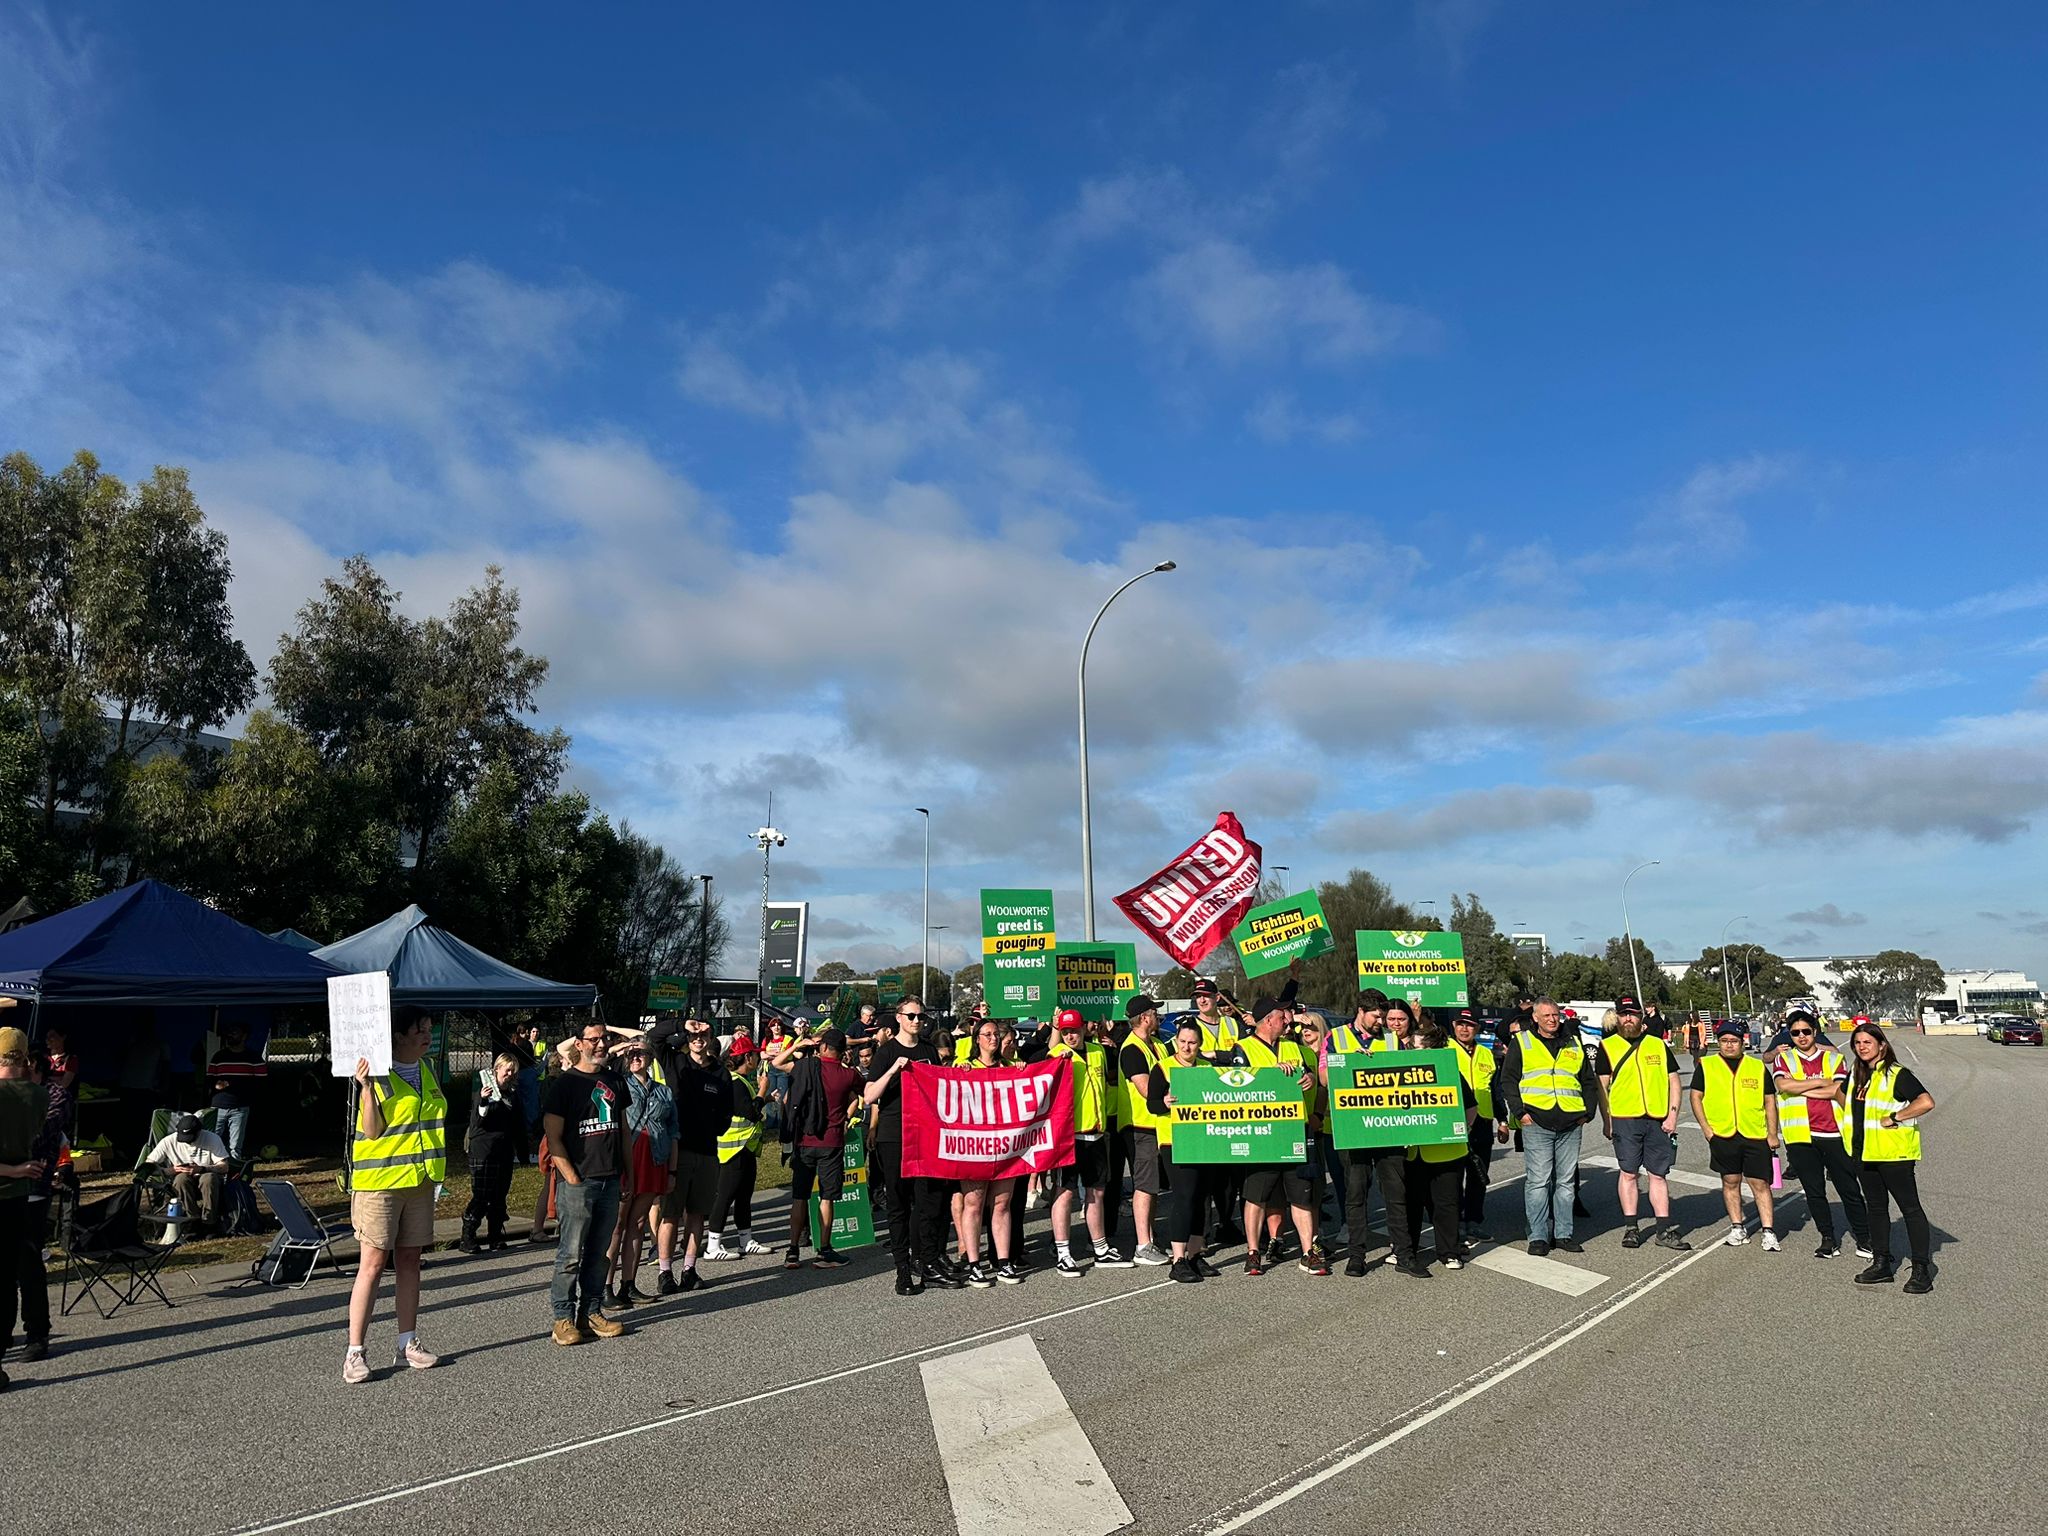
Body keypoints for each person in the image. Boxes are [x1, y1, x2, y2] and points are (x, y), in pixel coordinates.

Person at [344, 1011, 447, 1383]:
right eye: (419, 1029)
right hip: (380, 1183)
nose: (426, 1035)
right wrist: (367, 1089)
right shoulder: (376, 1075)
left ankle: (408, 1343)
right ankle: (355, 1351)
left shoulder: (428, 1070)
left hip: (419, 1180)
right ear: (397, 1036)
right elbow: (372, 1132)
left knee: (410, 1261)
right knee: (372, 1264)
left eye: (428, 1029)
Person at [1221, 995, 1327, 1277]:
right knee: (1256, 1195)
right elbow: (1237, 1088)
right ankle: (1253, 1251)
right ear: (1268, 1020)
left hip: (1295, 1129)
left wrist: (1309, 1080)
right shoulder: (1242, 1048)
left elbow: (1307, 1078)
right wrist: (1270, 1075)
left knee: (1302, 1195)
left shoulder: (1292, 1046)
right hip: (1263, 1133)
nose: (1287, 1021)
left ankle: (1308, 1253)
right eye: (1282, 1017)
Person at [541, 1023, 630, 1345]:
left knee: (598, 1254)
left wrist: (628, 1172)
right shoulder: (565, 1085)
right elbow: (553, 1137)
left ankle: (590, 1311)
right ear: (579, 1044)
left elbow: (623, 1128)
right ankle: (563, 1318)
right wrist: (572, 1177)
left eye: (605, 1038)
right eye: (595, 1039)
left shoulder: (615, 1080)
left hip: (610, 1178)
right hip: (579, 1181)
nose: (602, 1044)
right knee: (571, 1255)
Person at [855, 997, 949, 1294]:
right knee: (898, 1204)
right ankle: (903, 1270)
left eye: (921, 1016)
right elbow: (869, 1096)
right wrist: (894, 1070)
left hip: (926, 1135)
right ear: (898, 1018)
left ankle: (927, 1260)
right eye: (911, 1016)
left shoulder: (929, 1051)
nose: (917, 1021)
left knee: (928, 1202)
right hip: (894, 1135)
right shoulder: (886, 1053)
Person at [1498, 998, 1600, 1257]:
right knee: (1538, 1182)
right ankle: (1538, 1236)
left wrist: (1588, 1112)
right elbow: (1508, 1080)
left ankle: (1563, 1234)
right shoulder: (1522, 1042)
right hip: (1536, 1121)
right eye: (1546, 1016)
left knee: (1565, 1183)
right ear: (1535, 1018)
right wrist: (1520, 1113)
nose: (1552, 1020)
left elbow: (1588, 1080)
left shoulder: (1573, 1041)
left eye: (1555, 1015)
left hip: (1570, 1122)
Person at [1840, 1022, 1937, 1292]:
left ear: (1882, 1045)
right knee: (1877, 1209)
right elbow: (1843, 1099)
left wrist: (1896, 1116)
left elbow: (1926, 1101)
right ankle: (1881, 1263)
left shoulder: (1897, 1074)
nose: (1861, 1047)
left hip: (1894, 1156)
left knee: (1910, 1209)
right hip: (1864, 1154)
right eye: (1857, 1043)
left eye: (1867, 1042)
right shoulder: (1856, 1075)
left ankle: (1921, 1269)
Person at [1771, 1008, 1872, 1260]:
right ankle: (1828, 1238)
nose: (1802, 1036)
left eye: (1806, 1031)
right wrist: (1820, 1082)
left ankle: (1864, 1238)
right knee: (1814, 1191)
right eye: (1795, 1033)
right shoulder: (1784, 1060)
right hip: (1801, 1137)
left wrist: (1801, 1087)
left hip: (1834, 1133)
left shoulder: (1834, 1060)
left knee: (1849, 1189)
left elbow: (1838, 1089)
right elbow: (1783, 1085)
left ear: (1815, 1032)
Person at [1598, 998, 1690, 1251]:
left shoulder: (1657, 1045)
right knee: (1628, 1173)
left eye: (1633, 1014)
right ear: (1617, 1017)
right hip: (1625, 1120)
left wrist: (1672, 1115)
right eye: (1624, 1014)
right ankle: (1631, 1228)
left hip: (1657, 1119)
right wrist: (1607, 1121)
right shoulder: (1607, 1047)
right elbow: (1602, 1088)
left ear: (1641, 1017)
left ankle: (1663, 1229)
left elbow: (1673, 1082)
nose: (1629, 1018)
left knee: (1658, 1174)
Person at [772, 1025, 866, 1271]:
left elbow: (777, 1064)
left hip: (804, 1140)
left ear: (822, 1047)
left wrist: (798, 1046)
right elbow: (862, 1091)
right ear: (843, 1051)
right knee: (827, 1197)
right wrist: (847, 1114)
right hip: (832, 1141)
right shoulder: (848, 1075)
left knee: (799, 1196)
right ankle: (824, 1249)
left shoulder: (804, 1067)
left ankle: (792, 1250)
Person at [1325, 988, 1400, 1276]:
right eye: (1376, 1016)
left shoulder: (1392, 1040)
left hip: (1388, 1128)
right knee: (1355, 1194)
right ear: (1361, 1011)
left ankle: (1402, 1251)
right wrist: (1349, 1063)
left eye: (1383, 1016)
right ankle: (1357, 1255)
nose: (1382, 1022)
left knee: (1395, 1192)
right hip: (1353, 1129)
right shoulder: (1337, 1037)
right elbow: (1323, 1077)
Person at [1689, 1021, 1781, 1251]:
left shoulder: (1756, 1066)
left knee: (1760, 1183)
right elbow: (1695, 1097)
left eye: (1734, 1041)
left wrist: (1772, 1133)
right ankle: (1737, 1226)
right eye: (1724, 1041)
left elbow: (1770, 1100)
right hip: (1723, 1133)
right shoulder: (1707, 1065)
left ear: (1743, 1042)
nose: (1729, 1045)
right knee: (1731, 1181)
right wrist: (1707, 1130)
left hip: (1754, 1133)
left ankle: (1768, 1231)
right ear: (1718, 1042)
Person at [655, 1024, 725, 1294]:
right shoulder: (675, 1061)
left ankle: (689, 1269)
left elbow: (726, 1110)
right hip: (678, 1150)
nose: (698, 1040)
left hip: (707, 1151)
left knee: (697, 1215)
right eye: (693, 1037)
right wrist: (682, 1025)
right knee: (671, 1214)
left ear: (709, 1040)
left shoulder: (719, 1072)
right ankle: (664, 1272)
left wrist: (714, 1127)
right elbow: (655, 1038)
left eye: (703, 1036)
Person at [0, 1024, 50, 1392]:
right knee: (18, 1269)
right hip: (21, 1192)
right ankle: (34, 1332)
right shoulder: (38, 1095)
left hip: (10, 1180)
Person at [608, 1041, 676, 1307]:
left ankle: (629, 1284)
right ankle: (605, 1287)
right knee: (617, 1224)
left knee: (638, 1223)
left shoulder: (664, 1092)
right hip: (628, 1158)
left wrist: (671, 1171)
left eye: (641, 1053)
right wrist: (625, 1044)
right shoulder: (618, 1084)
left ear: (650, 1058)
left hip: (655, 1158)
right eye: (631, 1055)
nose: (635, 1058)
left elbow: (673, 1134)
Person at [1046, 1009, 1112, 1279]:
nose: (1070, 1035)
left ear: (1084, 1028)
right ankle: (1063, 1251)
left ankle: (1101, 1247)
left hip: (1096, 1132)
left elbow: (1104, 1087)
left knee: (1096, 1191)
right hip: (1069, 1136)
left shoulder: (1098, 1051)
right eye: (1065, 1031)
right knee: (1065, 1192)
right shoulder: (1056, 1056)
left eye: (1074, 1030)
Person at [1157, 1019, 1223, 1283]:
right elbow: (1152, 1104)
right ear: (1176, 1041)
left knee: (1200, 1197)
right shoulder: (1163, 1067)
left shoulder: (1207, 1068)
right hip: (1174, 1141)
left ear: (1200, 1045)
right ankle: (1178, 1259)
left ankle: (1195, 1254)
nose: (1186, 1046)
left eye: (1192, 1042)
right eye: (1182, 1041)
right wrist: (1163, 1101)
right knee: (1184, 1197)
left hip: (1203, 1140)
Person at [1115, 996, 1172, 1267]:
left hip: (1157, 1124)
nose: (1158, 1017)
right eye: (1154, 1013)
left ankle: (1151, 1239)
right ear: (1145, 1017)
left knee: (1152, 1186)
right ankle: (1142, 1245)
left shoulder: (1157, 1043)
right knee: (1145, 1184)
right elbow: (1146, 1088)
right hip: (1140, 1125)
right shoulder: (1132, 1049)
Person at [1449, 1010, 1509, 1241]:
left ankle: (1474, 1220)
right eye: (1461, 1024)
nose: (1465, 1029)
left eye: (1470, 1025)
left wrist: (1502, 1120)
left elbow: (1496, 1091)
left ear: (1477, 1028)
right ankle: (1455, 1223)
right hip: (1455, 1121)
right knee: (1453, 1178)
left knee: (1478, 1175)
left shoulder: (1486, 1053)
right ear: (1454, 1025)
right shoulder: (1444, 1050)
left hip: (1482, 1122)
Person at [459, 1051, 526, 1253]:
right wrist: (483, 1101)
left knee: (499, 1195)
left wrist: (523, 1154)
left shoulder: (513, 1095)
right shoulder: (483, 1093)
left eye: (513, 1071)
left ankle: (495, 1235)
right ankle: (467, 1237)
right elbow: (478, 1122)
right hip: (483, 1150)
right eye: (507, 1070)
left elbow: (518, 1126)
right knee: (482, 1194)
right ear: (497, 1069)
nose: (510, 1074)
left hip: (503, 1150)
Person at [146, 1112, 230, 1230]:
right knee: (181, 1179)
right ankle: (192, 1220)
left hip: (206, 1176)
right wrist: (170, 1170)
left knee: (208, 1178)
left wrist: (202, 1168)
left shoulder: (212, 1138)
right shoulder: (168, 1141)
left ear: (199, 1132)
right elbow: (148, 1165)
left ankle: (209, 1222)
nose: (186, 1141)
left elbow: (224, 1166)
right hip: (181, 1180)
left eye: (190, 1137)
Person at [206, 1022, 266, 1163]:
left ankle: (233, 1174)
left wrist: (230, 1083)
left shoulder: (254, 1058)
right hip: (218, 1106)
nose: (230, 1035)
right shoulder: (219, 1056)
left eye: (235, 1032)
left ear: (244, 1036)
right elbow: (209, 1079)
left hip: (240, 1107)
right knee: (211, 1142)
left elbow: (261, 1082)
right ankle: (210, 1170)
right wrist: (215, 1085)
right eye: (230, 1032)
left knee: (235, 1147)